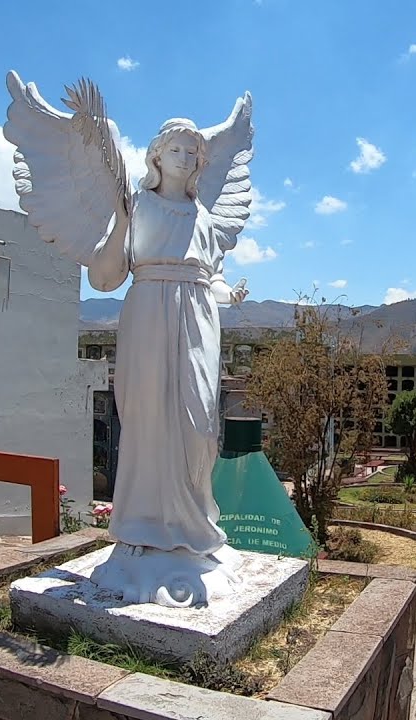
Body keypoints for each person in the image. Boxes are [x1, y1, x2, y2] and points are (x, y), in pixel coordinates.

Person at [85, 119, 250, 561]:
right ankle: (143, 525)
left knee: (200, 425)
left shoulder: (203, 215)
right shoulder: (136, 204)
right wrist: (120, 221)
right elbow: (104, 277)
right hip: (148, 311)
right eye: (177, 149)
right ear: (157, 155)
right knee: (148, 419)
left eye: (193, 152)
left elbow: (208, 274)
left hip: (197, 314)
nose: (187, 157)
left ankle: (194, 520)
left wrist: (227, 293)